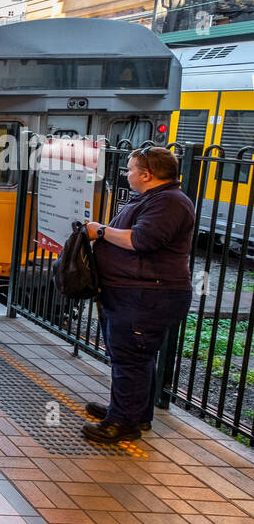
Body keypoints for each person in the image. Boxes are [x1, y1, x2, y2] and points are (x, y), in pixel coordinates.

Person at [82, 146, 196, 444]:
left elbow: (143, 240)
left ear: (147, 174)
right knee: (134, 357)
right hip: (135, 293)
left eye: (130, 169)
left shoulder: (169, 202)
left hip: (147, 296)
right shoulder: (156, 199)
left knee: (130, 358)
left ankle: (123, 423)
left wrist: (101, 232)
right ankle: (132, 412)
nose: (127, 174)